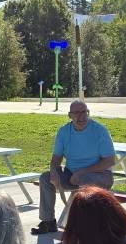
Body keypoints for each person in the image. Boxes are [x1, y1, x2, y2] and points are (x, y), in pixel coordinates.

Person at [33, 100, 116, 236]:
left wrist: (83, 172)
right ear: (69, 115)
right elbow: (56, 158)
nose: (81, 116)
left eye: (84, 112)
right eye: (76, 113)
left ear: (88, 113)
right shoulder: (64, 132)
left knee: (85, 181)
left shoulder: (100, 131)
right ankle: (48, 222)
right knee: (45, 178)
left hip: (100, 175)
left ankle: (85, 226)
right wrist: (54, 171)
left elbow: (109, 161)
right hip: (72, 174)